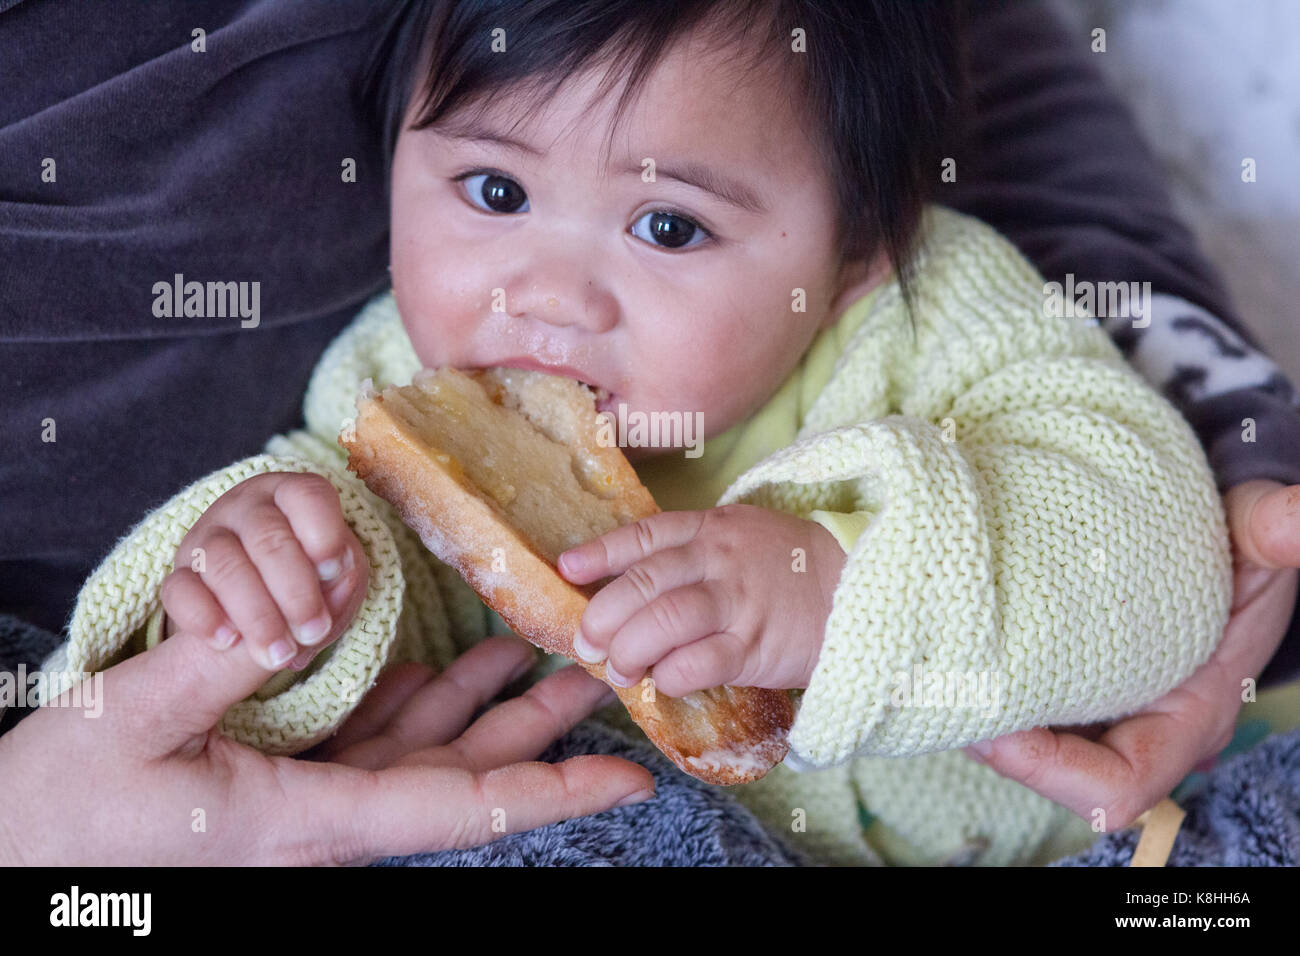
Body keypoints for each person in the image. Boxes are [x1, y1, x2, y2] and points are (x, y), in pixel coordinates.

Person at [3, 0, 1299, 866]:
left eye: (669, 227)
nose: (550, 297)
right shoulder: (399, 396)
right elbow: (384, 651)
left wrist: (846, 581)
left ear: (855, 255)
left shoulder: (935, 315)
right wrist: (271, 590)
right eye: (494, 190)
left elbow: (1159, 542)